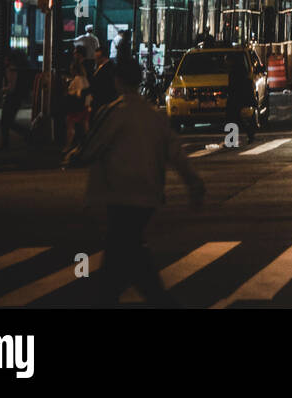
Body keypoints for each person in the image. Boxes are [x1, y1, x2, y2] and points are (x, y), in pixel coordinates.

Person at [69, 57, 205, 306]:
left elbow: (91, 147)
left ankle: (150, 299)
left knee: (122, 254)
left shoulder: (113, 113)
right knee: (128, 253)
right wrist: (194, 184)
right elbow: (176, 153)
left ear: (117, 81)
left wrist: (74, 157)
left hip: (119, 195)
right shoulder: (154, 116)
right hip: (148, 196)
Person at [62, 47, 92, 153]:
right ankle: (87, 145)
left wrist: (70, 91)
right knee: (85, 126)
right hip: (84, 106)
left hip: (76, 107)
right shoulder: (84, 78)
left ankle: (68, 145)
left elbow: (78, 93)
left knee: (70, 126)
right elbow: (87, 93)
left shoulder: (77, 80)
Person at [0, 50, 32, 147]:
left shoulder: (11, 70)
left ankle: (27, 134)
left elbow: (12, 86)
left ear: (9, 60)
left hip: (11, 98)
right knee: (8, 122)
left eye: (5, 59)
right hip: (17, 98)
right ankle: (27, 134)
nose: (3, 61)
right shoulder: (18, 69)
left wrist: (4, 90)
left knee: (5, 121)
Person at [225, 53, 257, 145]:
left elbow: (233, 87)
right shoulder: (242, 70)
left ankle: (232, 141)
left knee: (232, 119)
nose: (226, 62)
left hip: (235, 99)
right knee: (238, 119)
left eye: (227, 60)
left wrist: (228, 94)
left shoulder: (234, 72)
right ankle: (249, 134)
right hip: (241, 98)